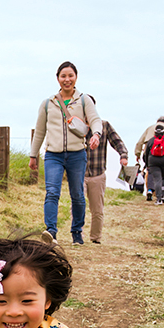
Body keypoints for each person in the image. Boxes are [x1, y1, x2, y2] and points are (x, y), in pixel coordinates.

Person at [29, 62, 101, 245]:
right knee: (52, 192)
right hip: (53, 155)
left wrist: (96, 134)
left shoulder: (84, 100)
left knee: (77, 194)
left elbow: (95, 120)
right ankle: (51, 232)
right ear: (57, 79)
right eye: (63, 76)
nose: (67, 79)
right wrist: (33, 155)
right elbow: (40, 131)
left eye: (70, 76)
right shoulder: (48, 103)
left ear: (76, 77)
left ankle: (77, 232)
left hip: (77, 154)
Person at [80, 96, 129, 246]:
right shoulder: (75, 126)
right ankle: (77, 235)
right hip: (79, 174)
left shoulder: (104, 126)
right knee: (77, 205)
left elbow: (117, 142)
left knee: (97, 209)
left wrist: (123, 155)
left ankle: (96, 237)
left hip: (97, 174)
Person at [134, 117, 164, 205]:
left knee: (151, 173)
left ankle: (150, 190)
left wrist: (138, 153)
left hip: (151, 157)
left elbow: (140, 142)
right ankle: (163, 195)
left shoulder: (150, 129)